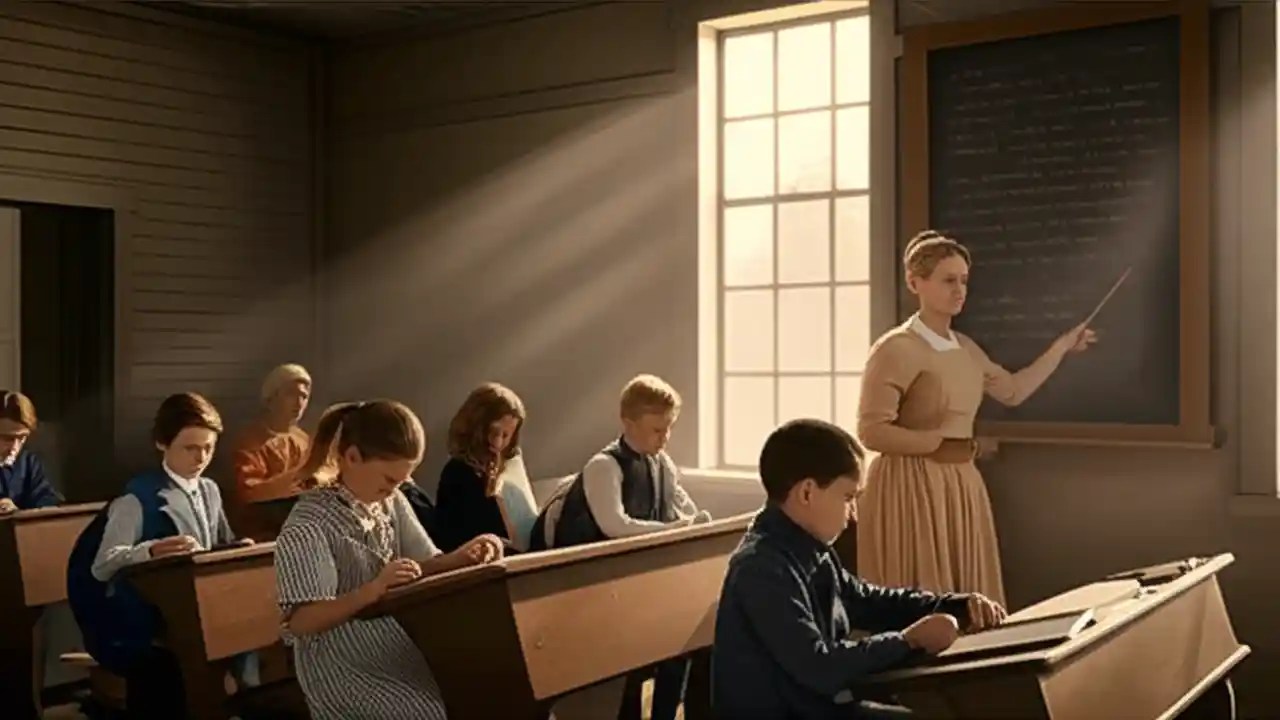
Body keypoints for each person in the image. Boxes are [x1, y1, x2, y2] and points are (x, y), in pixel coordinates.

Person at [856, 231, 1095, 606]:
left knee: (966, 600)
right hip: (911, 487)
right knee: (924, 602)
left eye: (964, 280)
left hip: (960, 484)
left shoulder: (965, 347)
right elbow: (871, 431)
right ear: (915, 282)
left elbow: (1013, 391)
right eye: (948, 280)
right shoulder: (896, 348)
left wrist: (1061, 348)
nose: (959, 290)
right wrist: (941, 444)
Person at [712, 418, 1006, 719]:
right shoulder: (761, 568)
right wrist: (909, 641)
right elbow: (819, 666)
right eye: (848, 498)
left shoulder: (811, 551)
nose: (853, 516)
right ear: (807, 493)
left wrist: (956, 606)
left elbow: (871, 601)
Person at [274, 399, 506, 720]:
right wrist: (373, 590)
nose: (394, 489)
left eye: (402, 481)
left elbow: (422, 565)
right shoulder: (309, 524)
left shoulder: (390, 501)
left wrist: (465, 556)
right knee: (421, 713)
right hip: (339, 658)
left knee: (472, 691)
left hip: (393, 642)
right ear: (352, 457)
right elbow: (301, 621)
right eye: (388, 479)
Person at [66, 392, 253, 720]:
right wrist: (149, 550)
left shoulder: (209, 490)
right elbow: (103, 563)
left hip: (199, 618)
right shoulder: (137, 498)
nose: (200, 457)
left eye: (208, 448)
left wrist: (237, 550)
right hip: (152, 628)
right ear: (162, 444)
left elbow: (218, 545)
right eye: (190, 448)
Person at [536, 374, 710, 720]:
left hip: (643, 580)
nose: (665, 438)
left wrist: (696, 521)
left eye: (668, 429)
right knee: (648, 645)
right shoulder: (604, 466)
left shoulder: (663, 465)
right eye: (656, 430)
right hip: (598, 585)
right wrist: (675, 528)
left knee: (691, 639)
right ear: (628, 422)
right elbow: (615, 527)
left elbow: (683, 508)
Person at [435, 382, 538, 552]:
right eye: (493, 432)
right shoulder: (458, 474)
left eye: (505, 436)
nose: (497, 443)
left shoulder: (502, 473)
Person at [229, 364, 312, 535]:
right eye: (291, 394)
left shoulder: (303, 439)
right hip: (264, 532)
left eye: (303, 396)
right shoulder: (250, 441)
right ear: (270, 398)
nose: (299, 403)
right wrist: (292, 479)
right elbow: (248, 492)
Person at [0, 390, 61, 513]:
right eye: (8, 438)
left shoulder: (27, 463)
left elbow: (47, 502)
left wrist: (18, 513)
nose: (15, 448)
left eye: (22, 438)